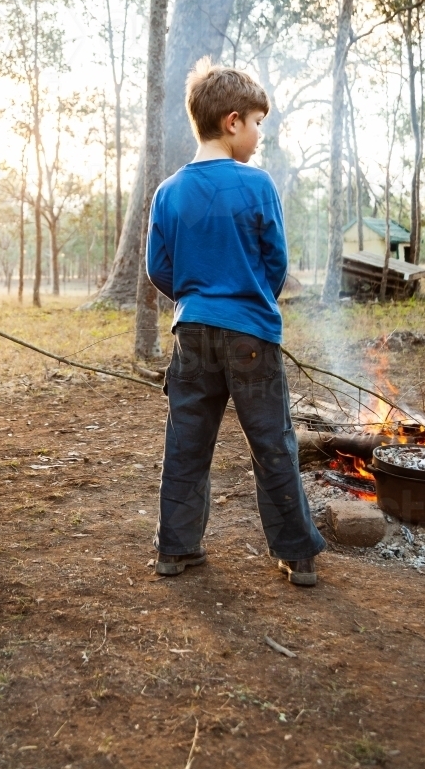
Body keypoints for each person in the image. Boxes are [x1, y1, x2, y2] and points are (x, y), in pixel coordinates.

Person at [146, 58, 325, 585]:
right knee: (272, 441)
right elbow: (276, 263)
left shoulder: (168, 192)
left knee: (187, 441)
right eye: (256, 123)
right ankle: (297, 554)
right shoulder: (256, 185)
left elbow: (160, 269)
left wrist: (197, 300)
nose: (258, 136)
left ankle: (175, 549)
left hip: (193, 334)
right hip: (251, 334)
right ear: (231, 122)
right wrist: (248, 300)